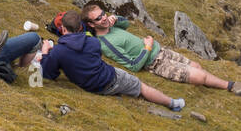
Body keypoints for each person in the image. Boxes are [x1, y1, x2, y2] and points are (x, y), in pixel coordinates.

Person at [82, 2, 241, 95]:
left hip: (162, 50)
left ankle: (216, 86)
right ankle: (233, 86)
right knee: (198, 75)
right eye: (98, 19)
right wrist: (148, 48)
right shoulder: (105, 44)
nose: (103, 18)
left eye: (103, 14)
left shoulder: (112, 26)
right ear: (91, 24)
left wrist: (116, 19)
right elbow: (133, 65)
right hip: (155, 63)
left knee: (196, 66)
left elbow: (126, 23)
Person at [34, 10, 184, 110]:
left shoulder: (59, 51)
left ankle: (170, 103)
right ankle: (173, 103)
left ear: (63, 29)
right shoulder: (93, 42)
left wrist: (46, 51)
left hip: (91, 86)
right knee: (142, 87)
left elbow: (48, 73)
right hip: (109, 77)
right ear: (81, 27)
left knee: (136, 85)